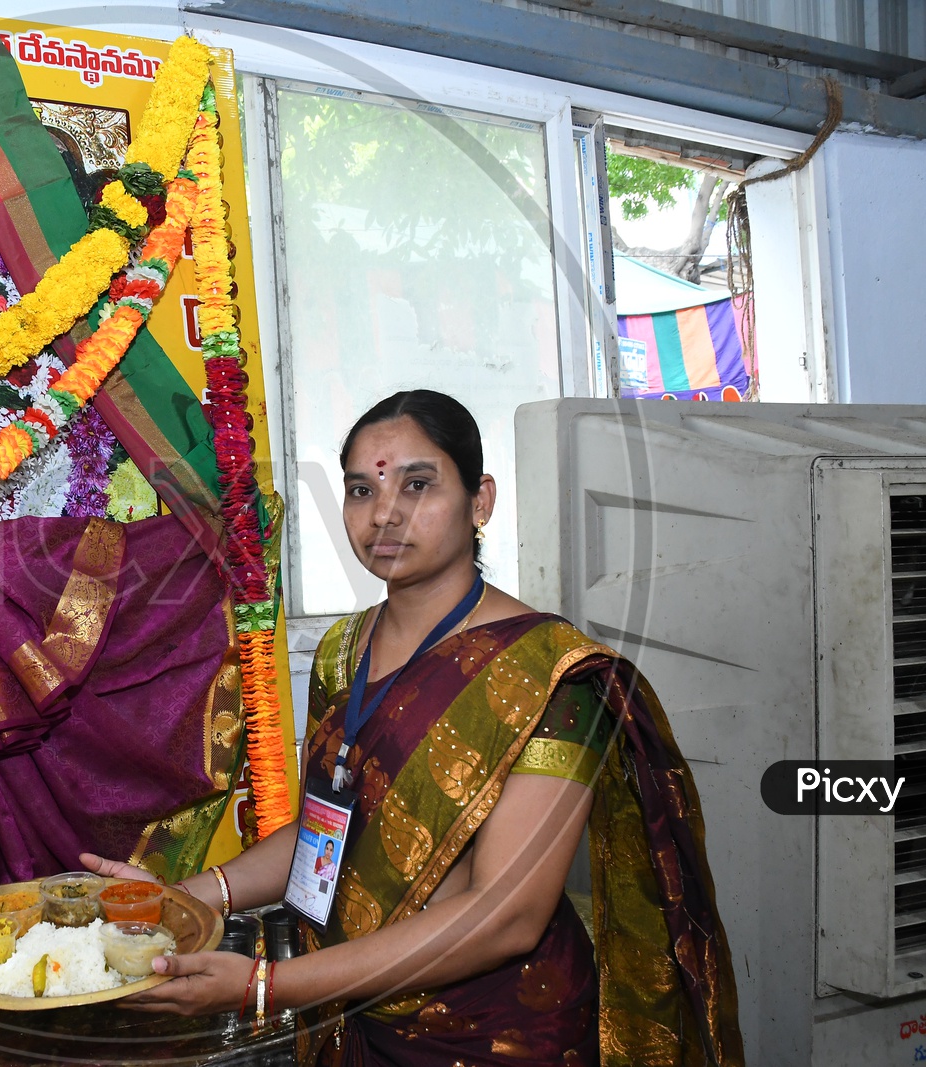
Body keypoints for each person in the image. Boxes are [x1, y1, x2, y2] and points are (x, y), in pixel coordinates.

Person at [84, 389, 743, 1066]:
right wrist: (200, 894)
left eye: (418, 484)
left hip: (496, 1030)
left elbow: (508, 914)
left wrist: (265, 987)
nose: (385, 513)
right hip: (348, 1007)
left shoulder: (547, 673)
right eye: (361, 490)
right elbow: (331, 829)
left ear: (480, 500)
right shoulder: (342, 650)